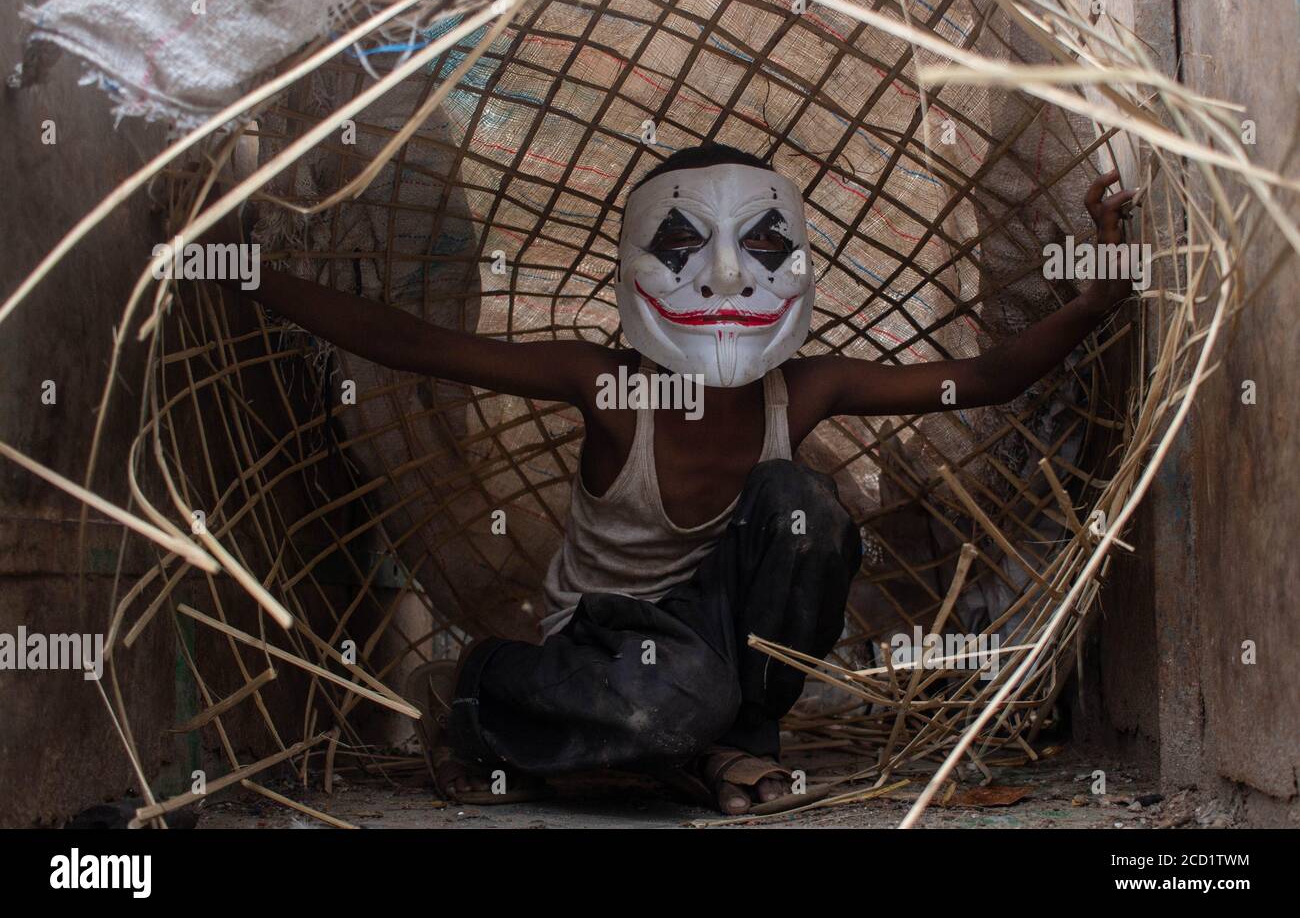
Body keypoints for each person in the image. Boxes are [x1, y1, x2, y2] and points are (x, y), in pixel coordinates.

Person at [207, 142, 1135, 815]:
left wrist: (1093, 301)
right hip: (608, 643)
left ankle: (735, 741)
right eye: (685, 248)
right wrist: (253, 278)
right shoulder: (609, 386)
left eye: (761, 247)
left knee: (807, 512)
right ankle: (486, 685)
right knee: (671, 700)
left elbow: (979, 381)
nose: (727, 274)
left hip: (720, 636)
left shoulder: (801, 390)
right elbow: (421, 346)